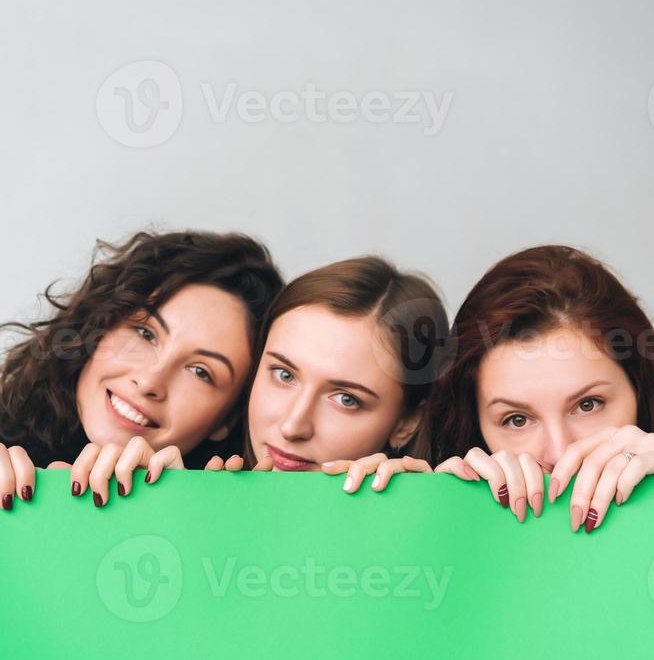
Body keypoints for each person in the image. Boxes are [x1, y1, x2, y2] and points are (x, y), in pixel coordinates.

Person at [352, 245, 654, 534]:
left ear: (640, 389)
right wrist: (428, 513)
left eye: (588, 404)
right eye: (517, 420)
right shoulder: (448, 509)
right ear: (475, 429)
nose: (559, 453)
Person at [0, 229, 283, 507]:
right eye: (145, 334)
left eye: (200, 372)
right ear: (97, 328)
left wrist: (184, 515)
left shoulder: (225, 516)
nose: (149, 381)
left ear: (228, 419)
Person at [138, 255, 448, 485]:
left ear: (406, 423)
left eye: (346, 399)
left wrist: (428, 510)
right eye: (284, 375)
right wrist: (172, 510)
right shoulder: (188, 488)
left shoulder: (425, 539)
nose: (292, 426)